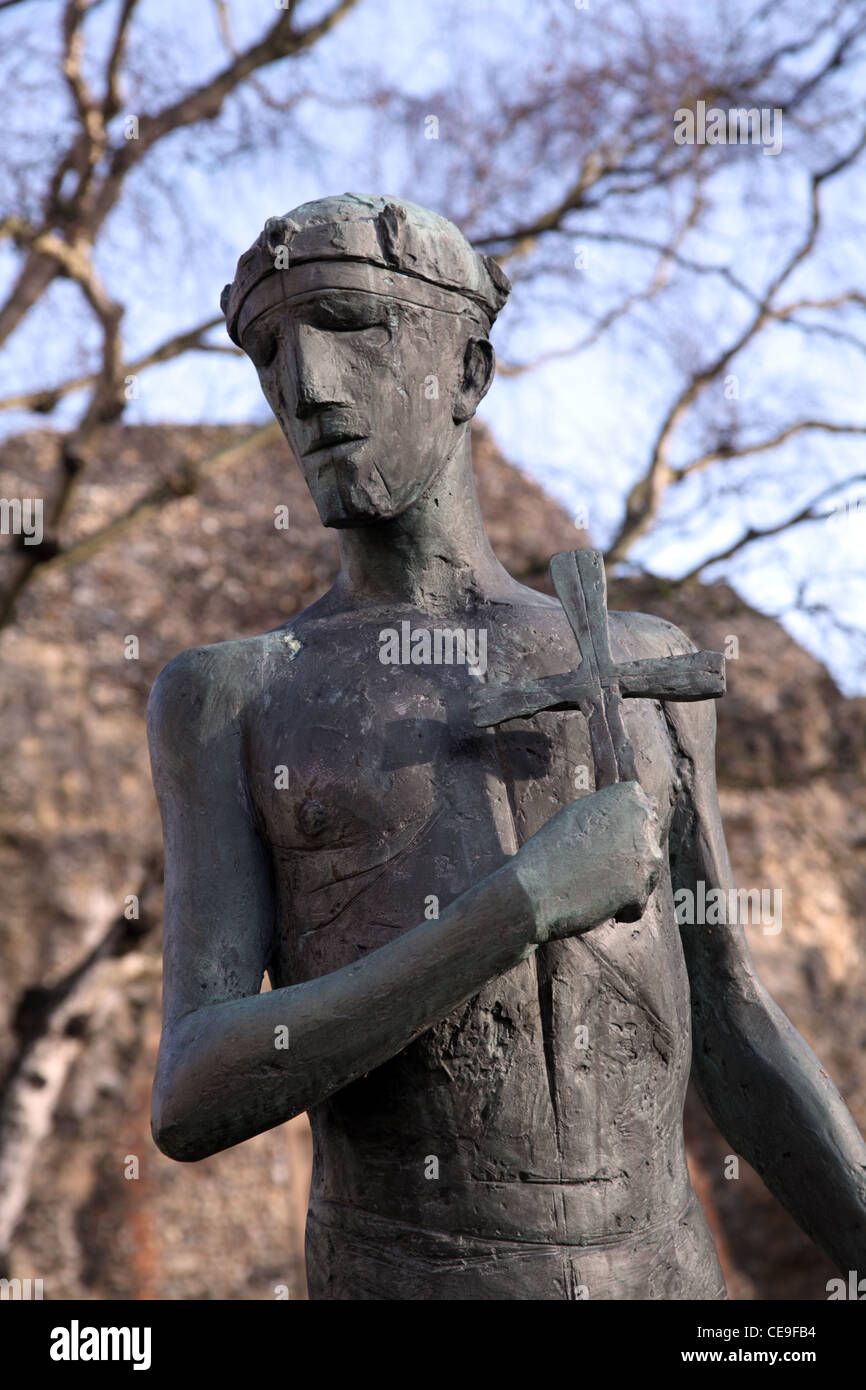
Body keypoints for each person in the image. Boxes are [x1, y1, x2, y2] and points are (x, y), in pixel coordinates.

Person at [148, 194, 866, 1299]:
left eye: (350, 323)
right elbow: (196, 1090)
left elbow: (727, 1024)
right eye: (268, 350)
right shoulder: (232, 694)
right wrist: (515, 907)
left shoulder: (641, 662)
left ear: (468, 375)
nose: (305, 386)